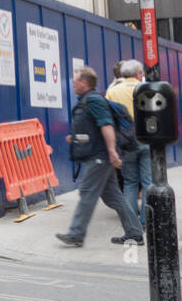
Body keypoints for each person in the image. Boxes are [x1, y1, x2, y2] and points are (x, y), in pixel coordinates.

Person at [57, 66, 146, 247]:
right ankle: (135, 233)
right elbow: (94, 129)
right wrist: (75, 138)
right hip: (99, 155)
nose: (74, 83)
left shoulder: (94, 100)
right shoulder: (87, 100)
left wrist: (112, 151)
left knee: (87, 192)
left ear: (84, 82)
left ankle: (76, 234)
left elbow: (106, 125)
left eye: (76, 80)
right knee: (113, 196)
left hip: (100, 157)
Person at [107, 59, 151, 225]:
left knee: (130, 183)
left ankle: (132, 223)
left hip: (125, 143)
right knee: (147, 182)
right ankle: (146, 221)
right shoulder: (145, 89)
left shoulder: (112, 91)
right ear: (138, 74)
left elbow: (108, 118)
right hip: (145, 139)